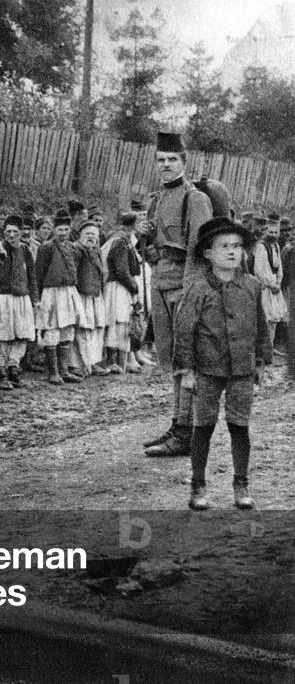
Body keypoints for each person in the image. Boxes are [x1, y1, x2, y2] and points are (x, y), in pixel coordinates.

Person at [175, 218, 270, 510]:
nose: (232, 252)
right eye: (224, 246)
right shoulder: (198, 288)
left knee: (239, 425)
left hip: (242, 369)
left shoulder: (252, 286)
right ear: (207, 253)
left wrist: (261, 360)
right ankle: (198, 486)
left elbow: (261, 325)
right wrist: (187, 370)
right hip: (207, 369)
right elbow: (184, 330)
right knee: (202, 426)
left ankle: (241, 485)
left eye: (237, 246)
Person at [141, 132, 214, 458]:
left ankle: (188, 433)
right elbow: (152, 254)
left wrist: (190, 291)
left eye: (172, 159)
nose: (166, 165)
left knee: (189, 362)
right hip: (159, 285)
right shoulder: (156, 200)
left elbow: (199, 250)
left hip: (183, 288)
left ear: (184, 163)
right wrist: (143, 237)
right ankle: (178, 424)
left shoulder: (194, 199)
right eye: (161, 160)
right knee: (172, 361)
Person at [0, 215, 37, 390]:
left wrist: (34, 300)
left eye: (15, 231)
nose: (12, 235)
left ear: (21, 233)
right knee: (2, 335)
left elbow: (32, 277)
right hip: (2, 298)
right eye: (9, 231)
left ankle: (14, 368)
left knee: (21, 334)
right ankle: (1, 372)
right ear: (4, 232)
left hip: (22, 298)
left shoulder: (25, 251)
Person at [34, 210, 84, 385]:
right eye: (59, 230)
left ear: (70, 229)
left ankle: (64, 370)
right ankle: (53, 372)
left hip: (68, 291)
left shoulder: (73, 248)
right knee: (52, 329)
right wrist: (38, 296)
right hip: (51, 293)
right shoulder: (46, 248)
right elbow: (38, 274)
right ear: (54, 230)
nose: (63, 233)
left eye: (66, 229)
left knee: (67, 329)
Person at [102, 212, 142, 375]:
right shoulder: (120, 242)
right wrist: (134, 287)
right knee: (117, 321)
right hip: (118, 287)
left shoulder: (123, 239)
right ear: (133, 225)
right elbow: (121, 270)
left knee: (122, 322)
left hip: (121, 285)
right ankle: (113, 361)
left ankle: (122, 362)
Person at [75, 220, 108, 377]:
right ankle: (80, 365)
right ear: (81, 235)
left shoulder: (97, 251)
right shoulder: (77, 249)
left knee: (97, 329)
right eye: (87, 234)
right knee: (83, 330)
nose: (90, 237)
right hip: (82, 294)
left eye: (93, 234)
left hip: (96, 294)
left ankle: (93, 363)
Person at [252, 214, 287, 355]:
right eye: (270, 232)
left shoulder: (277, 246)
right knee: (264, 318)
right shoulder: (261, 247)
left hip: (275, 286)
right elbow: (258, 270)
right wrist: (270, 284)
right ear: (266, 232)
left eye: (275, 232)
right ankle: (262, 350)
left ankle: (270, 347)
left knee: (274, 320)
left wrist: (278, 282)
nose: (273, 235)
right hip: (265, 287)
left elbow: (279, 268)